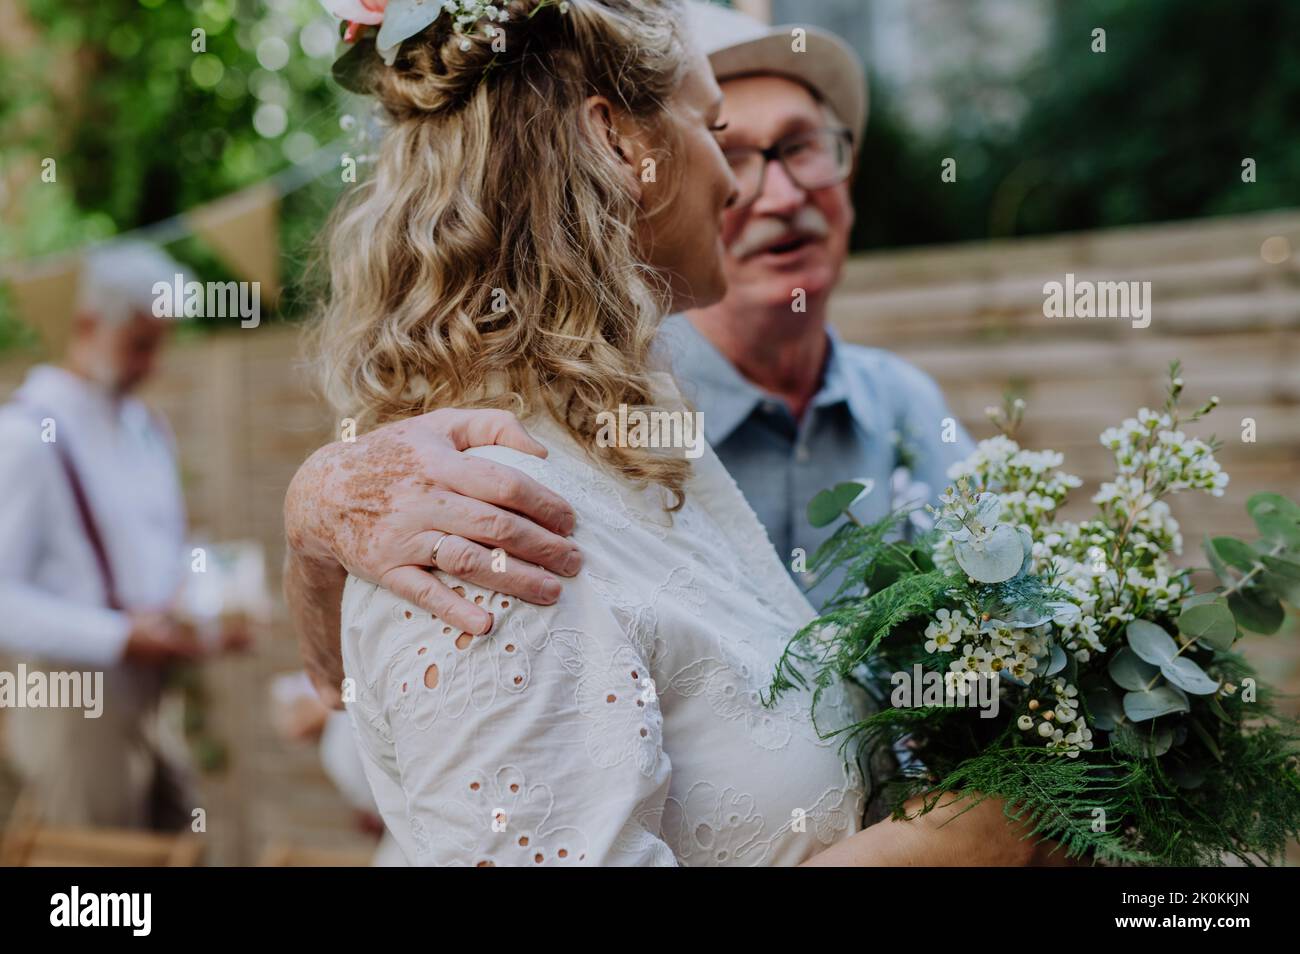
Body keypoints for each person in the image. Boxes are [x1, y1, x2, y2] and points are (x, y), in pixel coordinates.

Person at [299, 0, 1063, 866]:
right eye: (718, 131)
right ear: (622, 147)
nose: (747, 187)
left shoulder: (640, 447)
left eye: (804, 147)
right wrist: (957, 849)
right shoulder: (488, 518)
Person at [0, 241, 241, 829]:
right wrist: (117, 637)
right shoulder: (25, 436)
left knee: (180, 843)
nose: (151, 365)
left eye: (159, 344)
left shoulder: (145, 429)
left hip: (155, 694)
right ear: (87, 324)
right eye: (139, 344)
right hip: (69, 695)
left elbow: (165, 552)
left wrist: (208, 605)